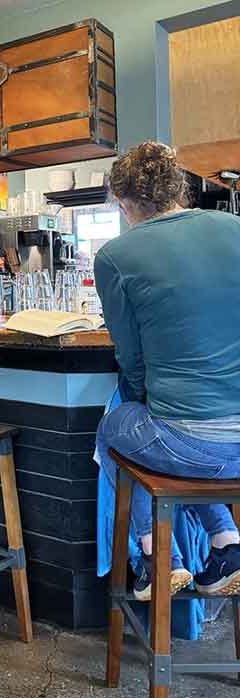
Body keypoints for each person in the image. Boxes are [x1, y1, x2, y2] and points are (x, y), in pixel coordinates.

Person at [94, 141, 240, 601]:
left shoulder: (116, 256)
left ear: (123, 203)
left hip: (191, 446)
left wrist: (146, 394)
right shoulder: (234, 227)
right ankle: (226, 543)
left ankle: (157, 558)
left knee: (116, 427)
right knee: (171, 439)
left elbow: (131, 360)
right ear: (179, 189)